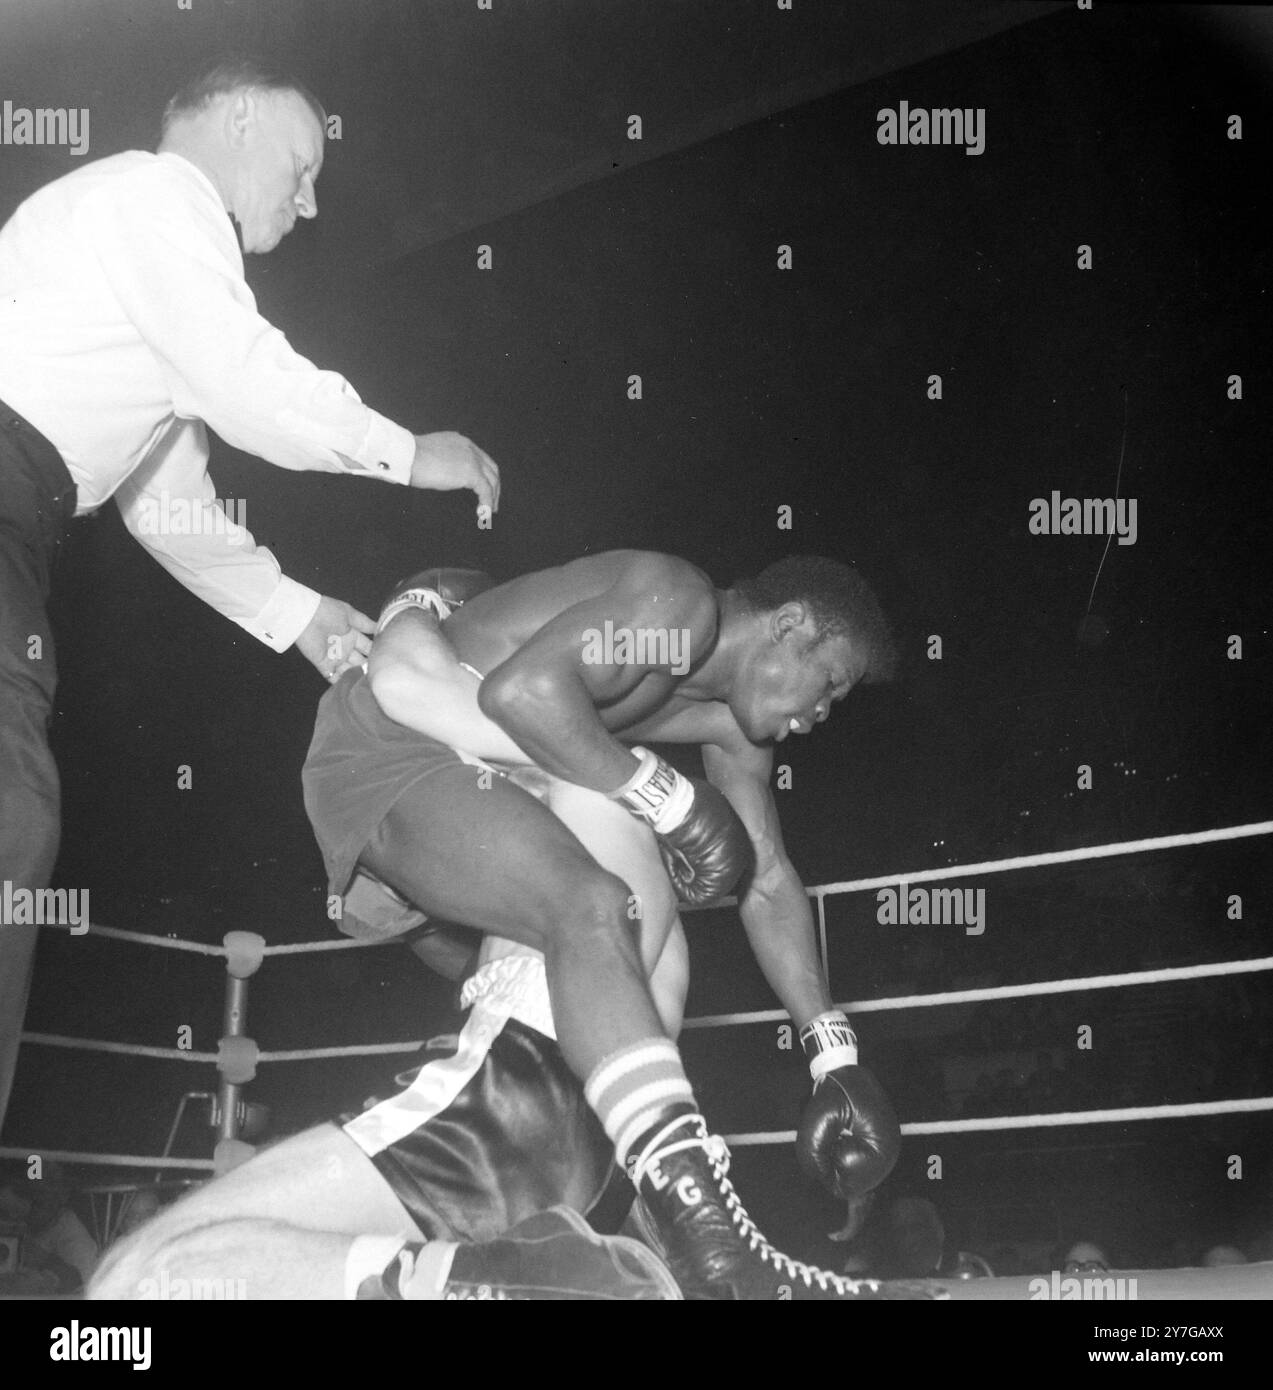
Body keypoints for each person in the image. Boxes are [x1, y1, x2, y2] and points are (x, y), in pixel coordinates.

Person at [0, 58, 501, 1136]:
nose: (310, 201)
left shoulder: (126, 264)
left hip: (22, 515)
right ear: (233, 121)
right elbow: (240, 376)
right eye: (301, 163)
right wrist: (409, 452)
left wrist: (299, 613)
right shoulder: (157, 196)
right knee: (6, 823)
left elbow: (164, 503)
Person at [300, 549, 908, 1298]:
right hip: (402, 740)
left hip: (502, 786)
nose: (819, 716)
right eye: (829, 685)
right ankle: (697, 1232)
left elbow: (767, 876)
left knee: (657, 966)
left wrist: (833, 1056)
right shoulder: (676, 606)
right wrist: (672, 801)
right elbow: (523, 693)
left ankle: (592, 1228)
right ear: (790, 625)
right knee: (600, 906)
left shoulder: (734, 731)